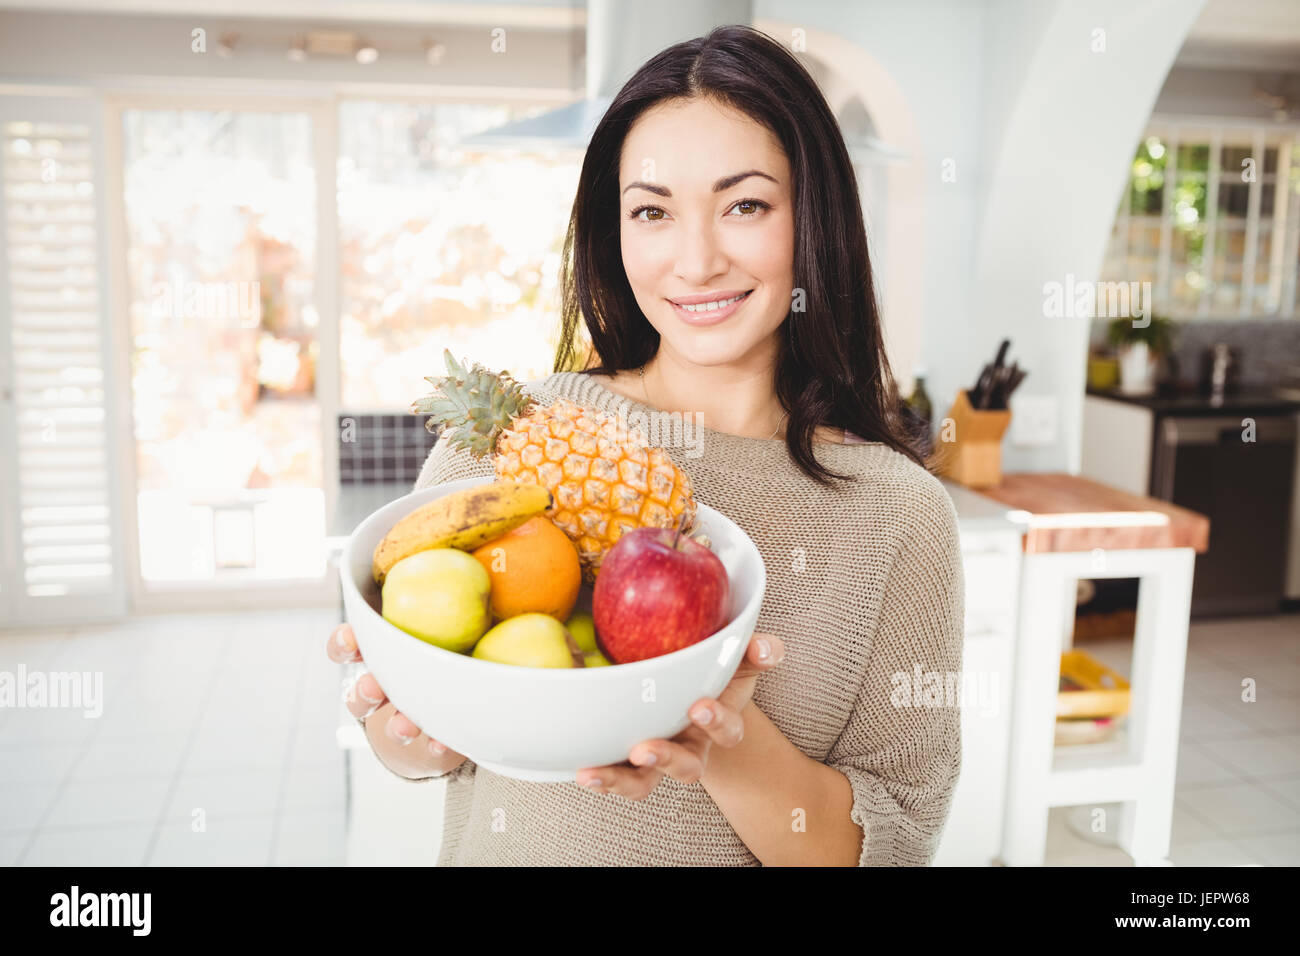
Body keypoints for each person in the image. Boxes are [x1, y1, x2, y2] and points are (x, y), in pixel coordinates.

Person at [326, 24, 964, 866]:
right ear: (613, 230)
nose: (695, 261)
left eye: (745, 204)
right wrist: (407, 733)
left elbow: (893, 848)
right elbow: (431, 752)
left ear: (815, 217)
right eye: (652, 211)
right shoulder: (512, 443)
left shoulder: (900, 515)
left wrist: (712, 727)